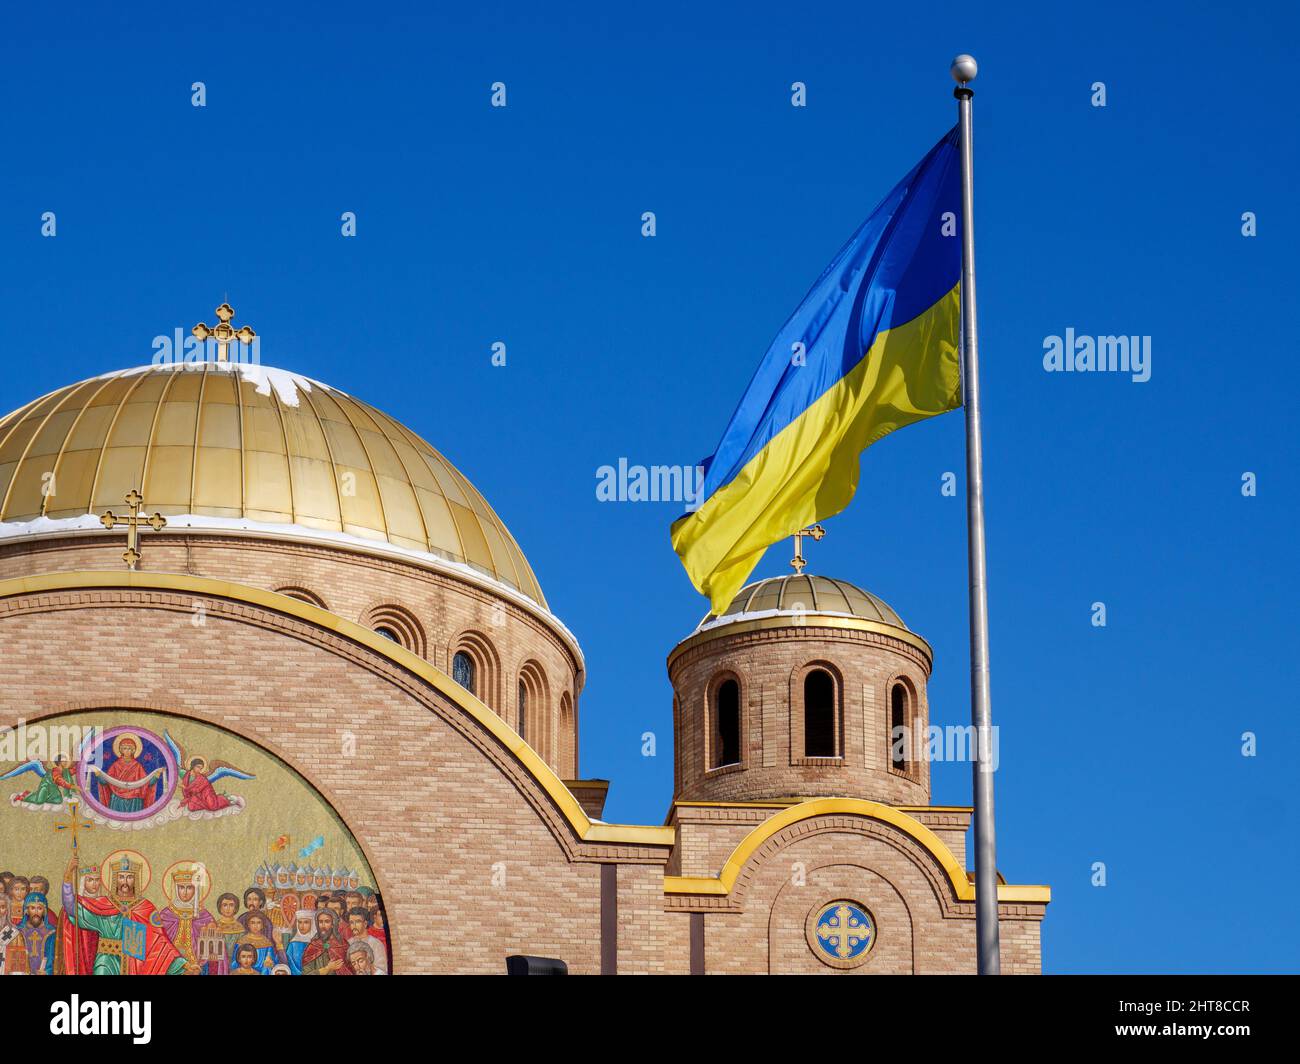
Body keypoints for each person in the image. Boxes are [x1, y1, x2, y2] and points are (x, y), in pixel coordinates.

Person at [60, 852, 186, 975]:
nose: (125, 881)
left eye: (129, 877)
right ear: (115, 878)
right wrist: (68, 875)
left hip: (135, 965)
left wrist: (182, 964)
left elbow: (160, 940)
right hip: (105, 963)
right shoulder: (103, 904)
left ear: (135, 879)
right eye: (121, 877)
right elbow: (72, 908)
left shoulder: (145, 907)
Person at [157, 865, 215, 975]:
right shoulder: (166, 915)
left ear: (196, 889)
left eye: (189, 887)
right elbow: (160, 945)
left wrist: (200, 964)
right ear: (176, 888)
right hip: (172, 968)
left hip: (198, 969)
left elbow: (212, 949)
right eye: (181, 887)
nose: (184, 892)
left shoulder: (205, 916)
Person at [57, 865, 102, 975]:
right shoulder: (78, 902)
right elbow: (68, 902)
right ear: (83, 882)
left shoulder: (104, 903)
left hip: (99, 948)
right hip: (81, 946)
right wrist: (69, 872)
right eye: (90, 880)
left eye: (97, 880)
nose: (94, 884)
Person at [13, 893, 57, 974]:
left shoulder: (51, 932)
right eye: (32, 908)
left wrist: (47, 972)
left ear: (44, 911)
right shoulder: (17, 931)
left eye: (39, 908)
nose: (36, 912)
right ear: (26, 910)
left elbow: (54, 958)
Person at [299, 909, 352, 975]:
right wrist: (327, 969)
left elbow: (350, 970)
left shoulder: (343, 945)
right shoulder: (313, 946)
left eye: (327, 922)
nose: (323, 926)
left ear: (333, 924)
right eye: (320, 922)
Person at [344, 908, 387, 974]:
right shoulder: (348, 943)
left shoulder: (376, 944)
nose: (354, 926)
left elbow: (382, 970)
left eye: (358, 921)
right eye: (351, 922)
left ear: (365, 923)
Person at [284, 910, 315, 975]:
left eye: (306, 922)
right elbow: (288, 962)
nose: (302, 926)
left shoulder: (317, 943)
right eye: (300, 922)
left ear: (312, 924)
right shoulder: (293, 944)